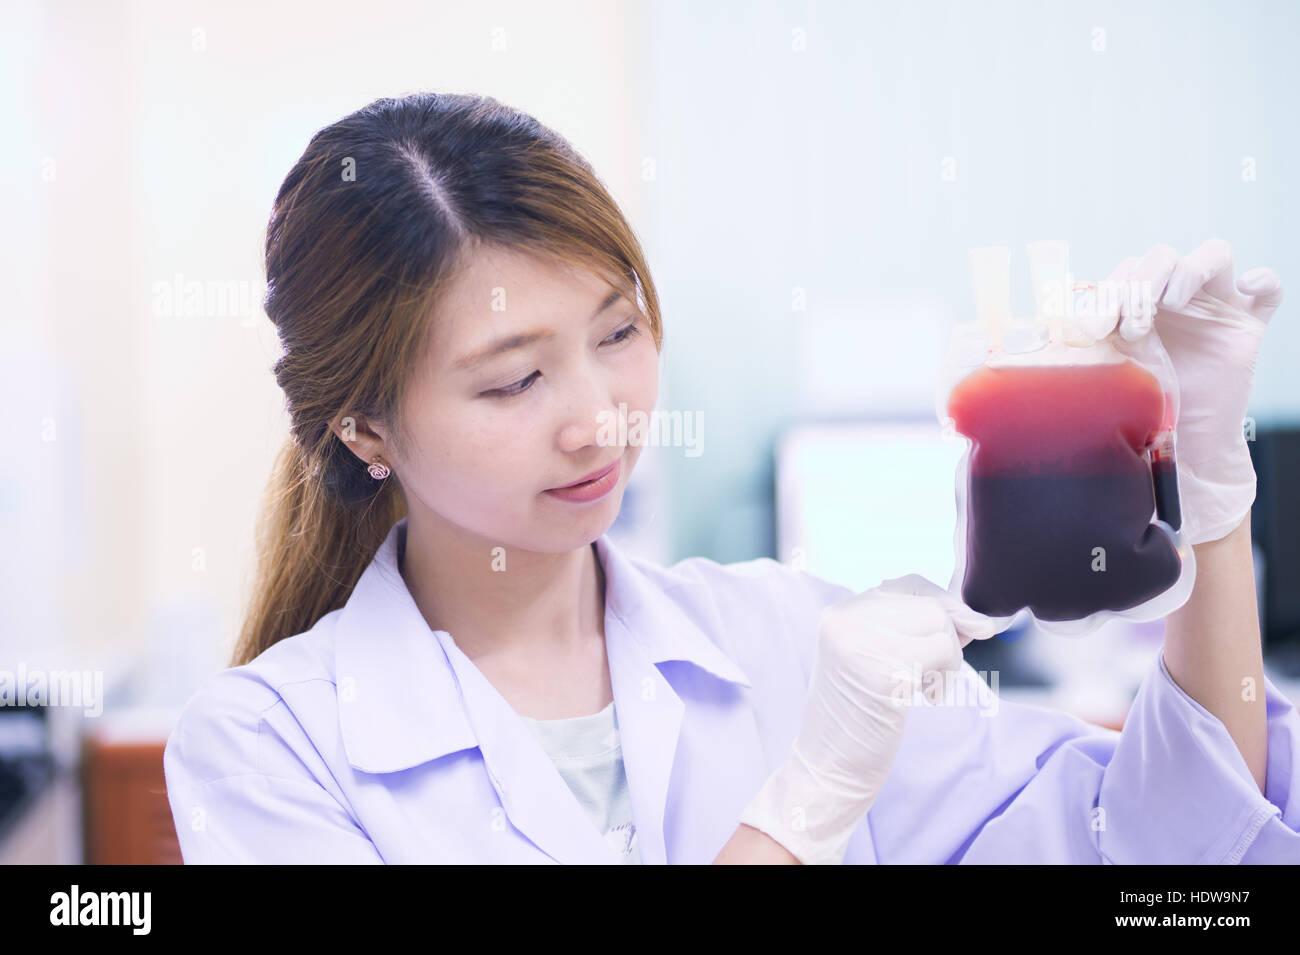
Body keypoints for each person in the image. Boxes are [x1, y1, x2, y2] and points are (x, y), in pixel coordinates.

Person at [162, 92, 1300, 864]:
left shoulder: (783, 637)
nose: (597, 418)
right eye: (513, 383)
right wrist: (799, 810)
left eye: (617, 334)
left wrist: (1203, 483)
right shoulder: (265, 749)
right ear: (365, 427)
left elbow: (1163, 858)